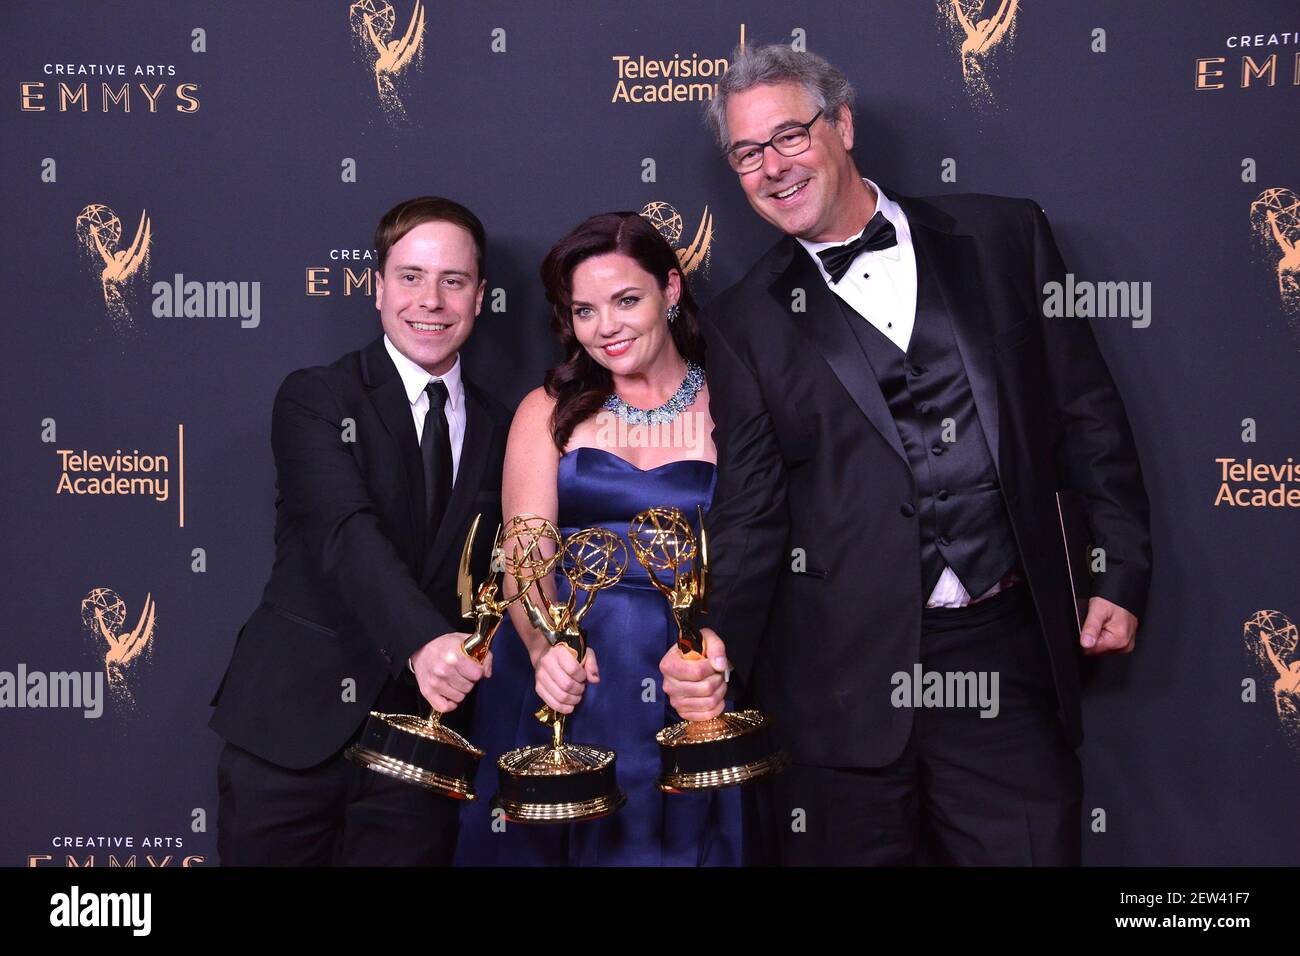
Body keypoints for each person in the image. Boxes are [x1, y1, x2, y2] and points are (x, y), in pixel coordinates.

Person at [660, 44, 1152, 865]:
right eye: (747, 153)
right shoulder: (740, 320)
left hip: (1003, 656)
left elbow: (1088, 416)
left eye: (789, 136)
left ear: (843, 126)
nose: (772, 168)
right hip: (837, 681)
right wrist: (717, 637)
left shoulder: (1003, 236)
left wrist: (1119, 571)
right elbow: (749, 505)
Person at [209, 196, 511, 865]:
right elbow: (344, 533)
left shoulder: (506, 427)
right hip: (290, 734)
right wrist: (427, 642)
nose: (429, 300)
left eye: (452, 281)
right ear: (377, 288)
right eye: (410, 277)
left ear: (480, 296)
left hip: (421, 753)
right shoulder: (315, 398)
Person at [455, 211, 742, 866]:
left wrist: (716, 651)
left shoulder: (733, 402)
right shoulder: (547, 410)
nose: (605, 327)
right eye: (584, 311)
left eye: (626, 300)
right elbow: (526, 554)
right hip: (568, 673)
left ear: (671, 291)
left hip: (689, 675)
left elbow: (759, 542)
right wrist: (543, 647)